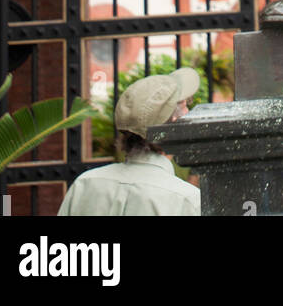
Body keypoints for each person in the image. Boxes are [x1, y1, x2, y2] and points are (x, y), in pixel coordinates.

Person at [58, 68, 201, 216]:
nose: (189, 112)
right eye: (184, 105)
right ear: (174, 122)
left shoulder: (84, 184)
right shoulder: (187, 200)